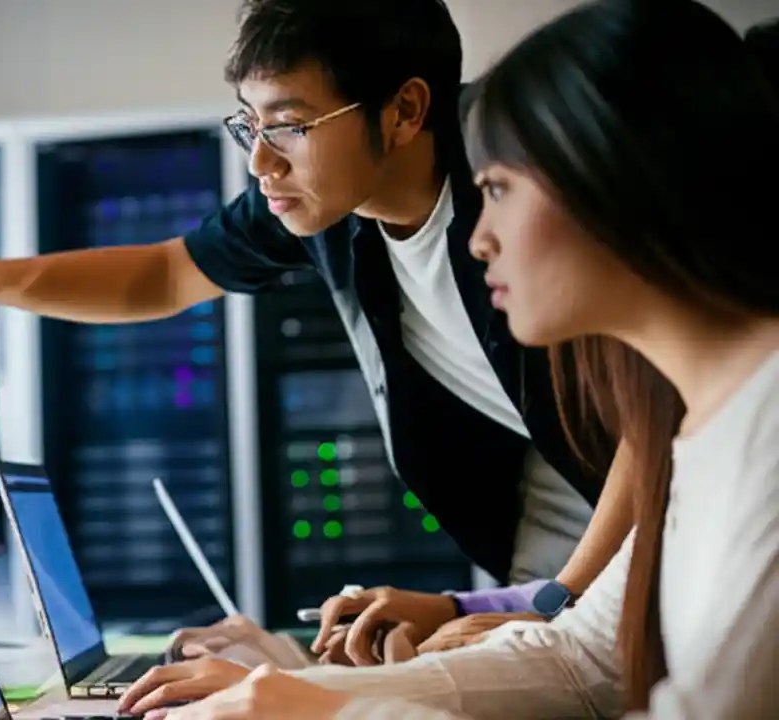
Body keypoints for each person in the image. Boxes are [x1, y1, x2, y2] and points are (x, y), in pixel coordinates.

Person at [0, 0, 635, 658]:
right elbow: (168, 274)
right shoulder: (328, 212)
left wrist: (546, 604)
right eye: (249, 127)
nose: (261, 163)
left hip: (645, 547)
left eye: (292, 126)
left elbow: (656, 415)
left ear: (404, 111)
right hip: (557, 571)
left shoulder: (525, 174)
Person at [134, 0, 779, 717]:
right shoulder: (697, 435)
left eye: (497, 190)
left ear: (622, 193)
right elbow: (585, 656)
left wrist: (326, 710)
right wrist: (287, 686)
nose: (477, 239)